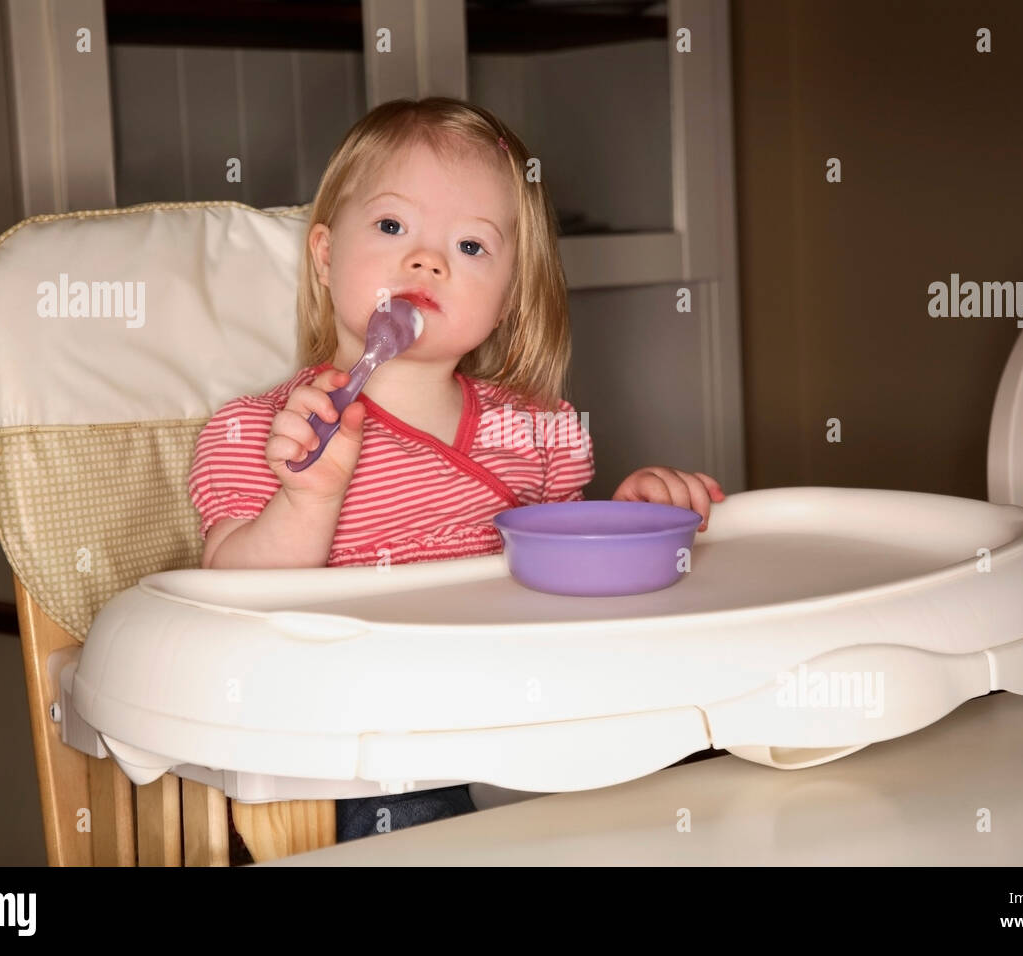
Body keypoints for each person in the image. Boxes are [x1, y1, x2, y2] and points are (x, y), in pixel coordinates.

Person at [189, 96, 724, 861]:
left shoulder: (537, 432)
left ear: (507, 300)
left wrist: (628, 520)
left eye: (472, 246)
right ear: (323, 255)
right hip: (373, 755)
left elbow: (567, 597)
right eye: (391, 227)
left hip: (532, 727)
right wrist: (307, 501)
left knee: (684, 772)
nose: (427, 260)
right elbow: (230, 604)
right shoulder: (263, 434)